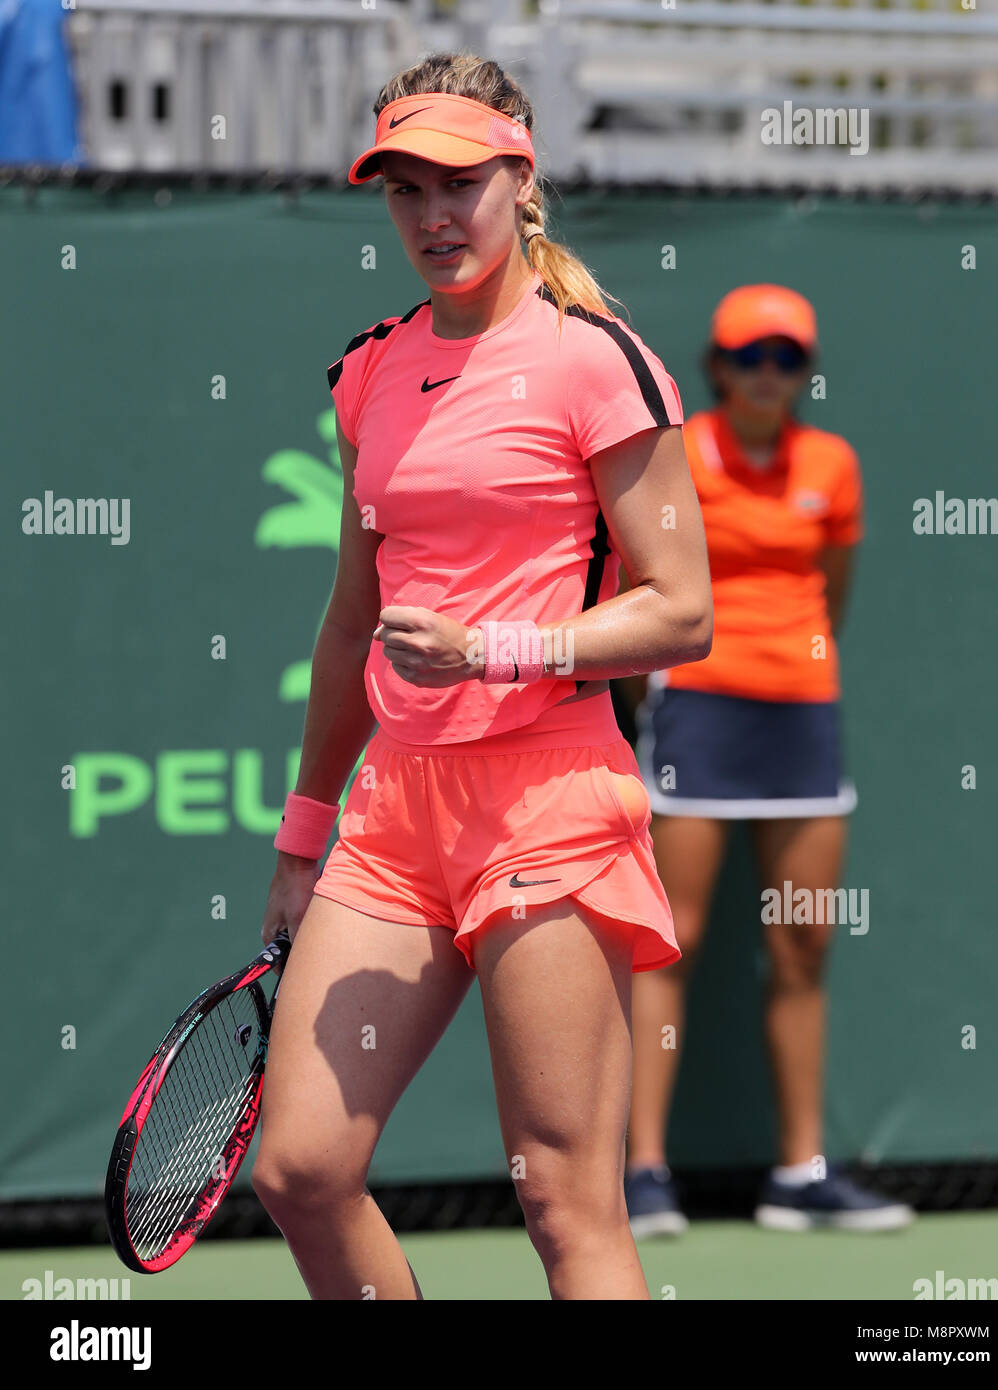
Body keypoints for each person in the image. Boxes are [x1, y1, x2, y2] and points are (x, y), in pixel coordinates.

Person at [250, 52, 713, 1300]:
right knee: (298, 1166)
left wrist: (498, 646)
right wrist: (303, 832)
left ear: (521, 178)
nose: (432, 216)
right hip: (396, 813)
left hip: (547, 799)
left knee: (565, 1205)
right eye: (403, 190)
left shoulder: (594, 362)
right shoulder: (371, 372)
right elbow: (351, 621)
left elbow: (682, 612)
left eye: (459, 182)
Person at [621, 285, 914, 1234]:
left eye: (787, 360)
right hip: (699, 711)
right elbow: (648, 586)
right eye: (750, 358)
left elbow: (834, 594)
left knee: (803, 943)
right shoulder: (682, 453)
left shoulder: (833, 464)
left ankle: (799, 1173)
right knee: (673, 937)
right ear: (716, 368)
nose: (768, 377)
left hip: (802, 722)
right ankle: (643, 1173)